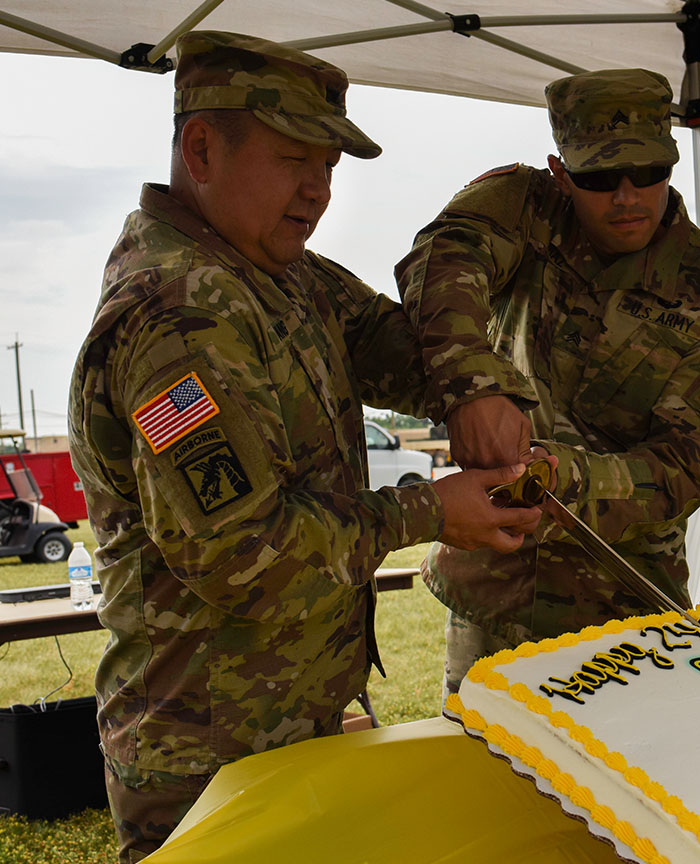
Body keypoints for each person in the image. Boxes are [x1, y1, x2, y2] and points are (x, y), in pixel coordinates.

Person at [67, 32, 539, 862]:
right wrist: (429, 509)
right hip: (205, 757)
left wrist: (479, 389)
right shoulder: (177, 316)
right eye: (293, 161)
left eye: (329, 167)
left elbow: (400, 350)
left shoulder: (281, 274)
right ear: (202, 148)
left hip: (290, 726)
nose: (317, 192)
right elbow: (244, 554)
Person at [395, 68, 700, 698]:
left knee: (623, 789)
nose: (627, 196)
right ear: (560, 172)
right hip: (495, 595)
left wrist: (560, 477)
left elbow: (678, 473)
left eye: (648, 173)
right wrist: (473, 384)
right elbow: (443, 259)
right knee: (482, 781)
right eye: (598, 178)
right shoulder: (524, 206)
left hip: (620, 605)